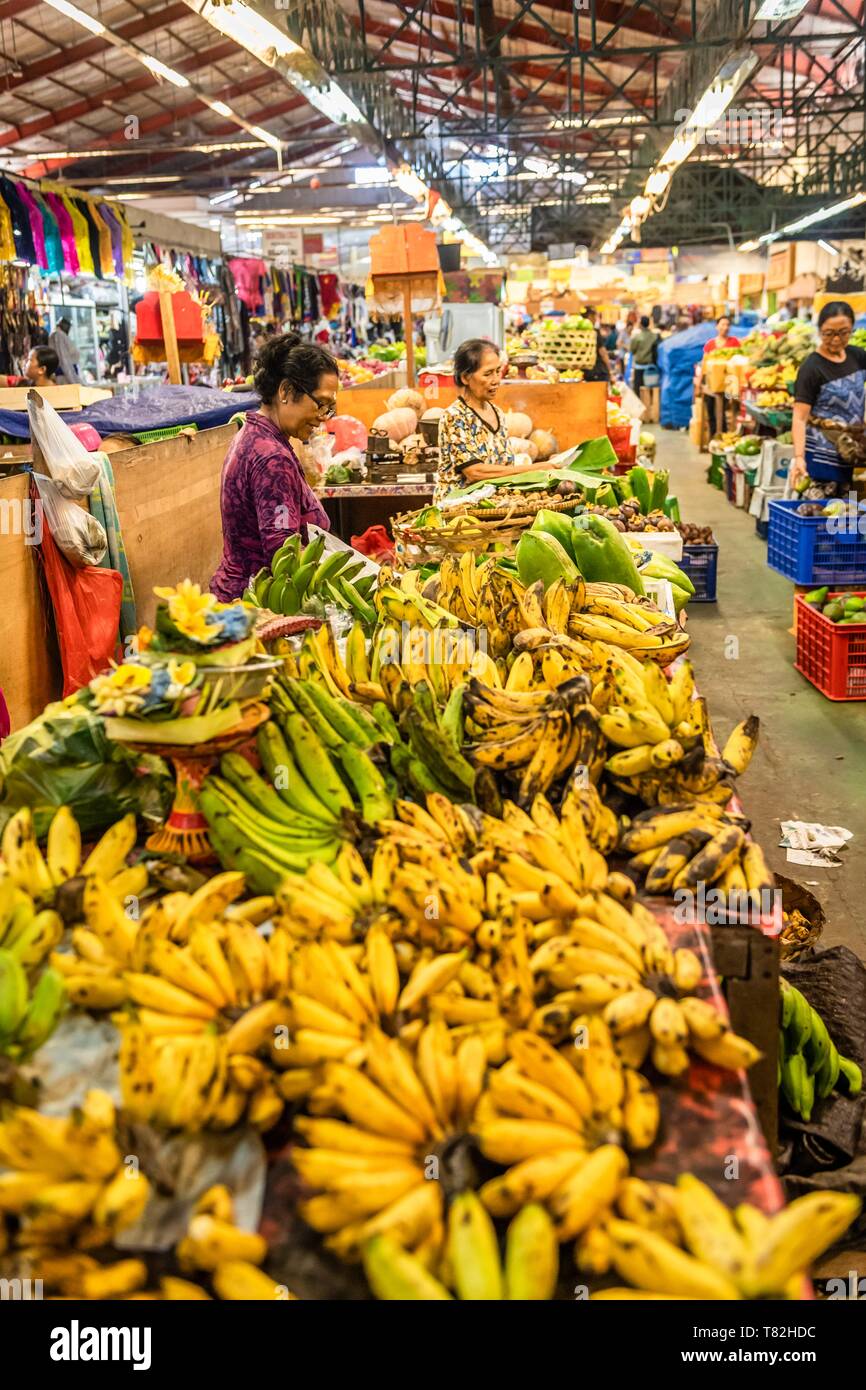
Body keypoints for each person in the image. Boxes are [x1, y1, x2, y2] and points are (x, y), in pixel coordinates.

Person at [211, 333, 337, 601]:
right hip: (259, 606)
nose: (322, 417)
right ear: (286, 391)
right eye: (321, 403)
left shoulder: (255, 435)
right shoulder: (272, 459)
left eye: (330, 408)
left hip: (241, 594)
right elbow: (284, 556)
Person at [437, 339, 550, 497]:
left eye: (498, 371)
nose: (496, 380)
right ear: (465, 378)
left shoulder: (498, 414)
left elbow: (503, 468)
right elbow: (474, 472)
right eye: (488, 374)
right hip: (458, 512)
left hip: (493, 507)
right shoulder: (455, 416)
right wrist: (533, 469)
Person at [791, 301, 866, 497]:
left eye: (843, 332)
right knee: (822, 516)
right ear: (819, 330)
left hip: (852, 453)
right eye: (828, 333)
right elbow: (799, 418)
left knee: (845, 518)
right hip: (821, 457)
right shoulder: (811, 367)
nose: (836, 339)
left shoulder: (857, 356)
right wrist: (799, 458)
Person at [699, 314, 740, 437]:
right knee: (711, 409)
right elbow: (704, 364)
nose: (725, 327)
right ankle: (714, 436)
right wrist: (701, 382)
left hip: (729, 383)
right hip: (712, 382)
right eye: (723, 324)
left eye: (728, 325)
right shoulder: (710, 344)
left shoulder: (734, 342)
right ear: (717, 326)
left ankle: (724, 434)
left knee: (724, 409)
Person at [629, 316, 659, 393]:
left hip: (639, 368)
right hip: (651, 368)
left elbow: (632, 350)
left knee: (639, 391)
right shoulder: (654, 336)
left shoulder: (637, 337)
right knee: (650, 390)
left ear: (640, 324)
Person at [582, 307, 611, 382]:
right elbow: (603, 352)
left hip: (584, 372)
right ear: (589, 316)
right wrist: (609, 369)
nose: (595, 319)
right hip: (597, 371)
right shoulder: (594, 332)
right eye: (594, 316)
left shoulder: (576, 333)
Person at [49, 316, 80, 383]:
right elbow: (63, 359)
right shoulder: (59, 335)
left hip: (67, 374)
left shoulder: (59, 335)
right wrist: (73, 381)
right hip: (65, 376)